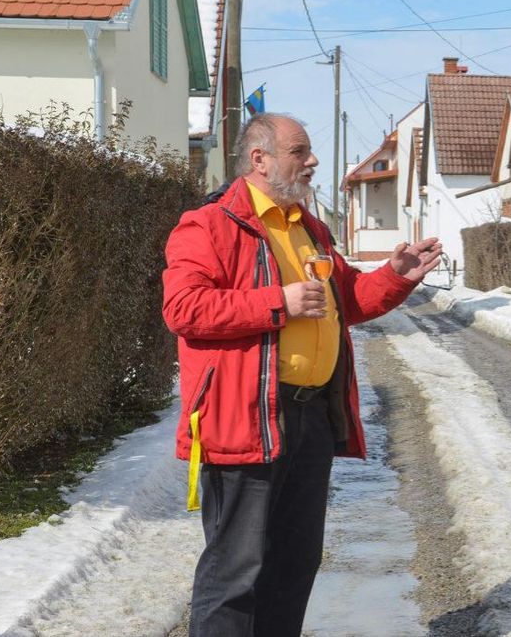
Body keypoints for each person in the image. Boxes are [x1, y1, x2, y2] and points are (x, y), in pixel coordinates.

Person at [162, 112, 442, 636]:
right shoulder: (209, 225)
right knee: (236, 570)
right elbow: (184, 309)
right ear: (260, 160)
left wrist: (395, 276)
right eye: (299, 151)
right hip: (243, 420)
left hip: (310, 417)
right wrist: (279, 302)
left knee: (295, 561)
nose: (312, 160)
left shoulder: (307, 227)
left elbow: (345, 300)